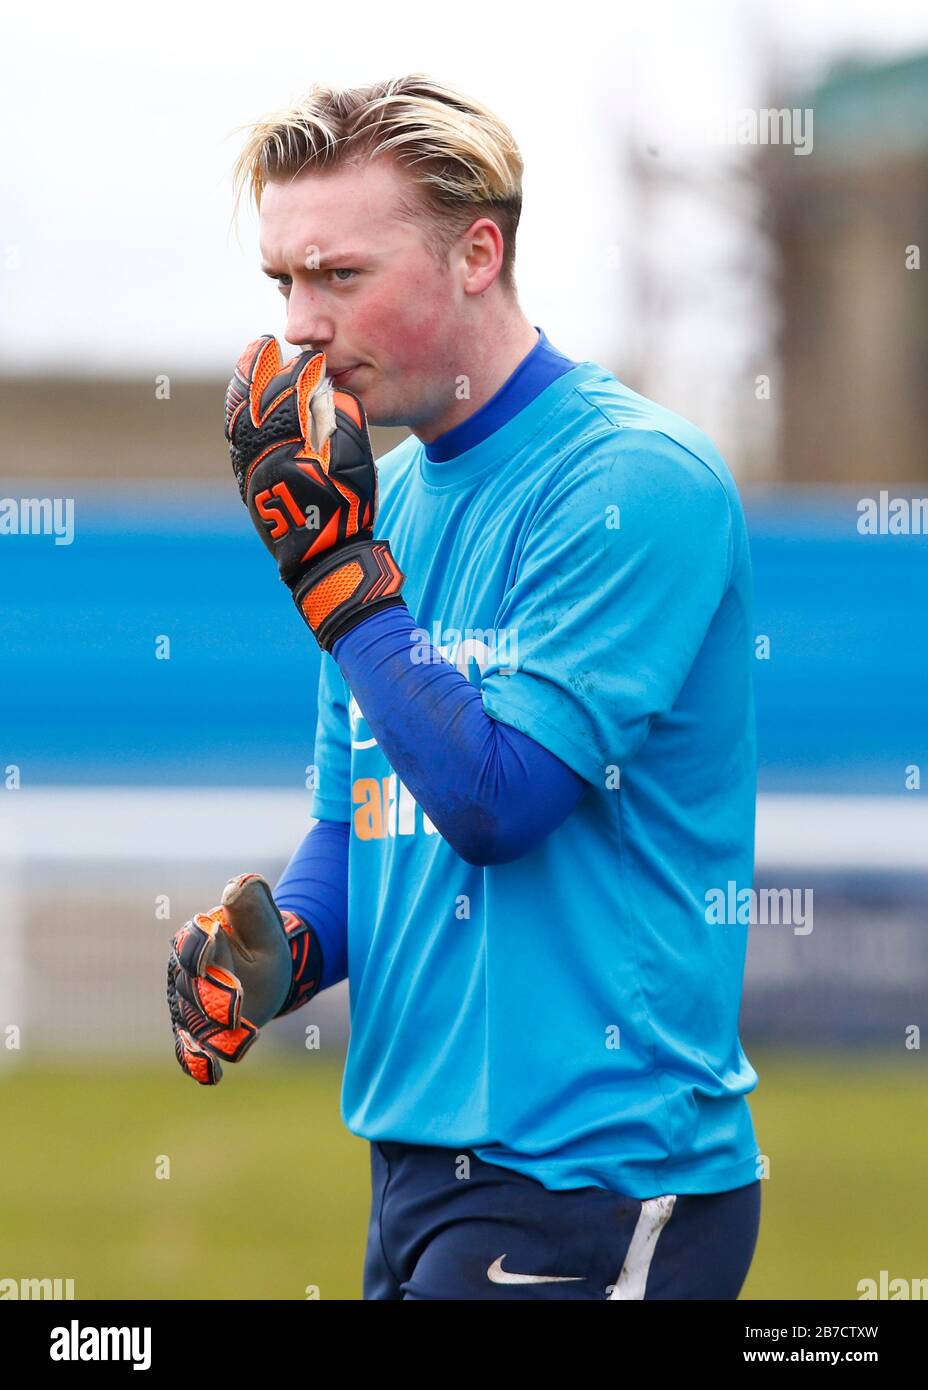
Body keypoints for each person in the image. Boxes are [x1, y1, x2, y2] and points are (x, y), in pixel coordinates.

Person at [167, 73, 762, 1300]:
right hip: (414, 1168)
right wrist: (284, 947)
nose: (302, 324)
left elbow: (497, 805)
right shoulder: (383, 505)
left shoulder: (636, 482)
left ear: (477, 253)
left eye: (340, 275)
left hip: (596, 1174)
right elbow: (361, 818)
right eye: (285, 280)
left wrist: (342, 582)